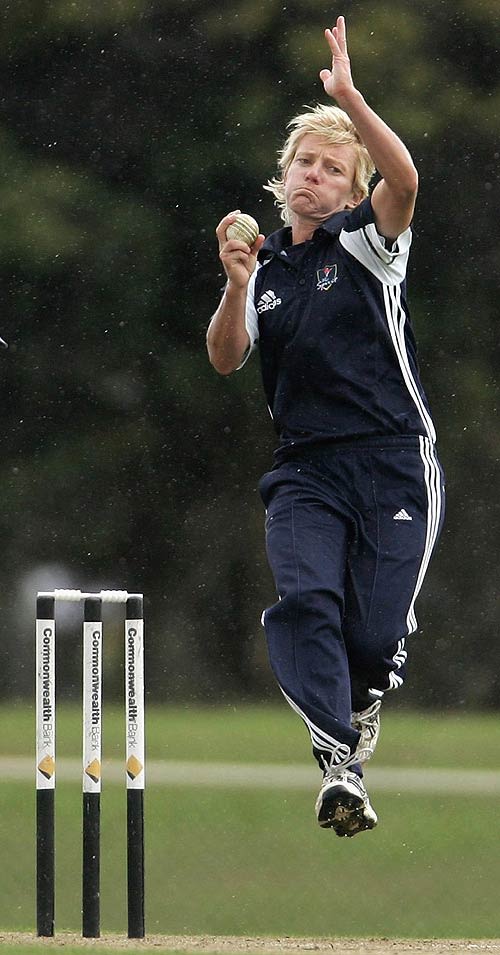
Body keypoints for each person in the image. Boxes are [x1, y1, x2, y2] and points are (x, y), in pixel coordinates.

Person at [206, 15, 445, 837]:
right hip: (305, 467)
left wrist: (349, 97)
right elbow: (225, 358)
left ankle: (359, 709)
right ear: (284, 177)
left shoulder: (368, 244)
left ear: (350, 189)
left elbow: (407, 182)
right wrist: (236, 285)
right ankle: (340, 764)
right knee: (306, 598)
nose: (312, 175)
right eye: (302, 163)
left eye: (330, 168)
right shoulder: (265, 266)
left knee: (372, 634)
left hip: (391, 461)